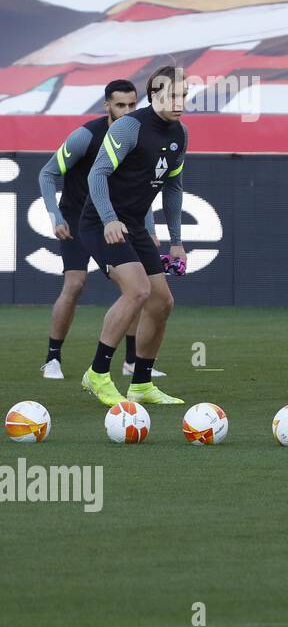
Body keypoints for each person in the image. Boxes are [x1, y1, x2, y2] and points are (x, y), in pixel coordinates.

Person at [36, 79, 168, 381]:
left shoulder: (137, 136)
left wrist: (149, 227)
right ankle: (53, 358)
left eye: (133, 105)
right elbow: (48, 172)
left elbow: (141, 192)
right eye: (120, 105)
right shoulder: (86, 135)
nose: (127, 111)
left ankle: (132, 361)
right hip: (80, 222)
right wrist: (55, 215)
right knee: (75, 284)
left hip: (118, 221)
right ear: (106, 105)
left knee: (136, 289)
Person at [79, 65, 188, 407]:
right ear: (155, 95)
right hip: (100, 221)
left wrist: (176, 239)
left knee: (162, 301)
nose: (180, 102)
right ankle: (97, 374)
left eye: (184, 95)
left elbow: (173, 188)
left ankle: (141, 383)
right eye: (172, 95)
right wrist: (109, 218)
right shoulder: (130, 127)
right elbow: (97, 175)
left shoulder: (179, 134)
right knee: (138, 290)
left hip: (135, 225)